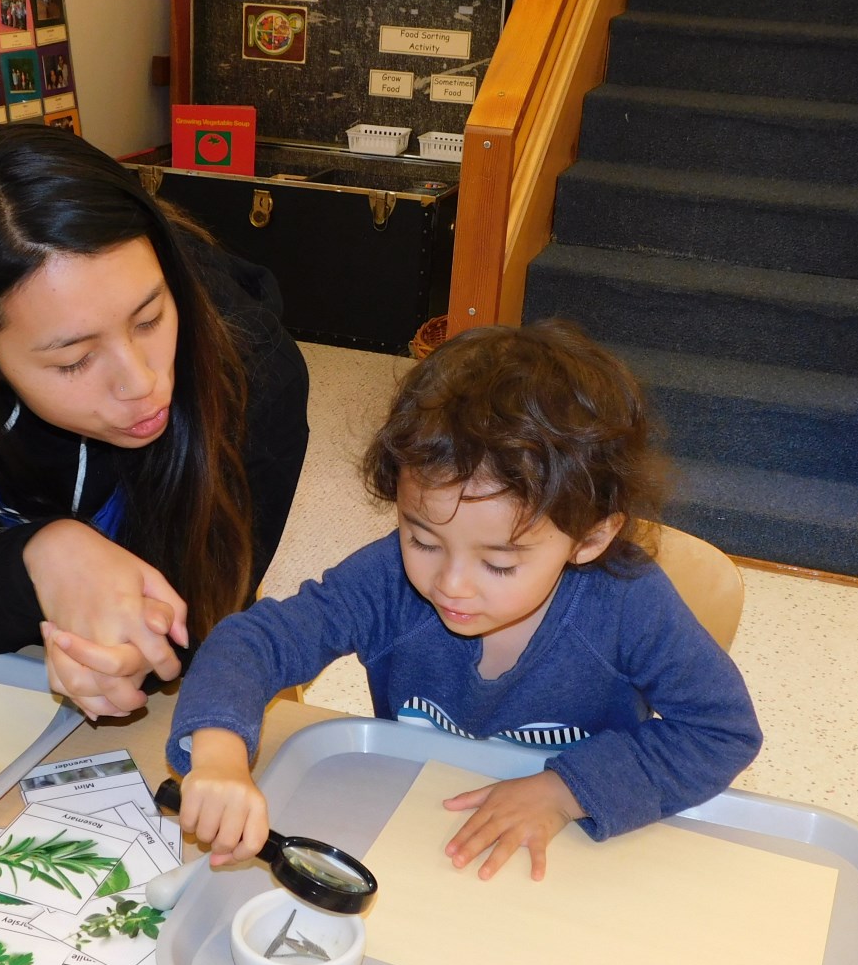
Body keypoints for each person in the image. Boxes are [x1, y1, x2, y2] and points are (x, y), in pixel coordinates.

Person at [165, 321, 762, 881]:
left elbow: (720, 732)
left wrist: (564, 791)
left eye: (499, 562)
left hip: (575, 858)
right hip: (415, 836)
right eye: (422, 538)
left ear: (590, 537)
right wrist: (217, 754)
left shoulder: (628, 606)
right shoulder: (388, 580)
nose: (451, 584)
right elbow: (255, 641)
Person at [0, 124, 310, 720]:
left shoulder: (256, 372)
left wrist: (139, 646)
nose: (141, 382)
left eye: (150, 318)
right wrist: (45, 554)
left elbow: (207, 596)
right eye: (75, 359)